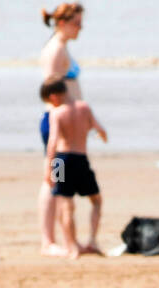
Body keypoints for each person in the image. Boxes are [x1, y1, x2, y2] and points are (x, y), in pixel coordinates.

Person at [38, 3, 90, 256]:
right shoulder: (55, 50)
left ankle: (65, 238)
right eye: (77, 23)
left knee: (62, 180)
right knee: (53, 177)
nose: (80, 28)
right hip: (58, 122)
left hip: (68, 121)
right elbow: (50, 91)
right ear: (62, 23)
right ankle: (48, 241)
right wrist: (64, 119)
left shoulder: (62, 48)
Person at [41, 75, 107, 258]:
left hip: (60, 160)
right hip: (80, 158)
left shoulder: (57, 113)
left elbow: (52, 142)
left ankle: (72, 247)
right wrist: (102, 137)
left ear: (54, 96)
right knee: (96, 201)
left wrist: (49, 169)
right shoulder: (84, 108)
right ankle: (92, 240)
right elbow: (101, 130)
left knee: (65, 204)